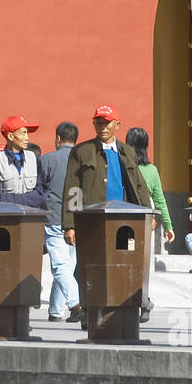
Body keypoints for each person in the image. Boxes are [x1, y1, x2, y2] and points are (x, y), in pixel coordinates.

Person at [61, 106, 154, 322]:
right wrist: (70, 224)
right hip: (94, 220)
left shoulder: (127, 151)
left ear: (117, 125)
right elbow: (72, 189)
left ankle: (140, 300)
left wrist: (149, 215)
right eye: (98, 123)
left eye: (107, 122)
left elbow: (139, 185)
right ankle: (89, 308)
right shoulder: (82, 151)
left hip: (125, 221)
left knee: (129, 261)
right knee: (87, 266)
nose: (102, 127)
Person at [38, 121, 80, 322]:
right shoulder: (82, 159)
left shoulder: (47, 160)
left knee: (60, 266)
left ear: (57, 138)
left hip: (54, 217)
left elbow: (38, 190)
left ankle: (76, 304)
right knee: (68, 266)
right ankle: (55, 311)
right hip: (78, 218)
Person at [0, 116, 48, 210]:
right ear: (10, 136)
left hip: (31, 219)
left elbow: (42, 191)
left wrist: (11, 199)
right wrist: (27, 200)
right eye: (23, 133)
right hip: (5, 220)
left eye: (27, 134)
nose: (27, 138)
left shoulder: (34, 159)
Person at [125, 126, 175, 246]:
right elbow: (160, 201)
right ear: (145, 145)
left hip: (122, 217)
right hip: (145, 219)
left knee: (124, 254)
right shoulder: (152, 170)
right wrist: (168, 226)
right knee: (144, 257)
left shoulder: (122, 166)